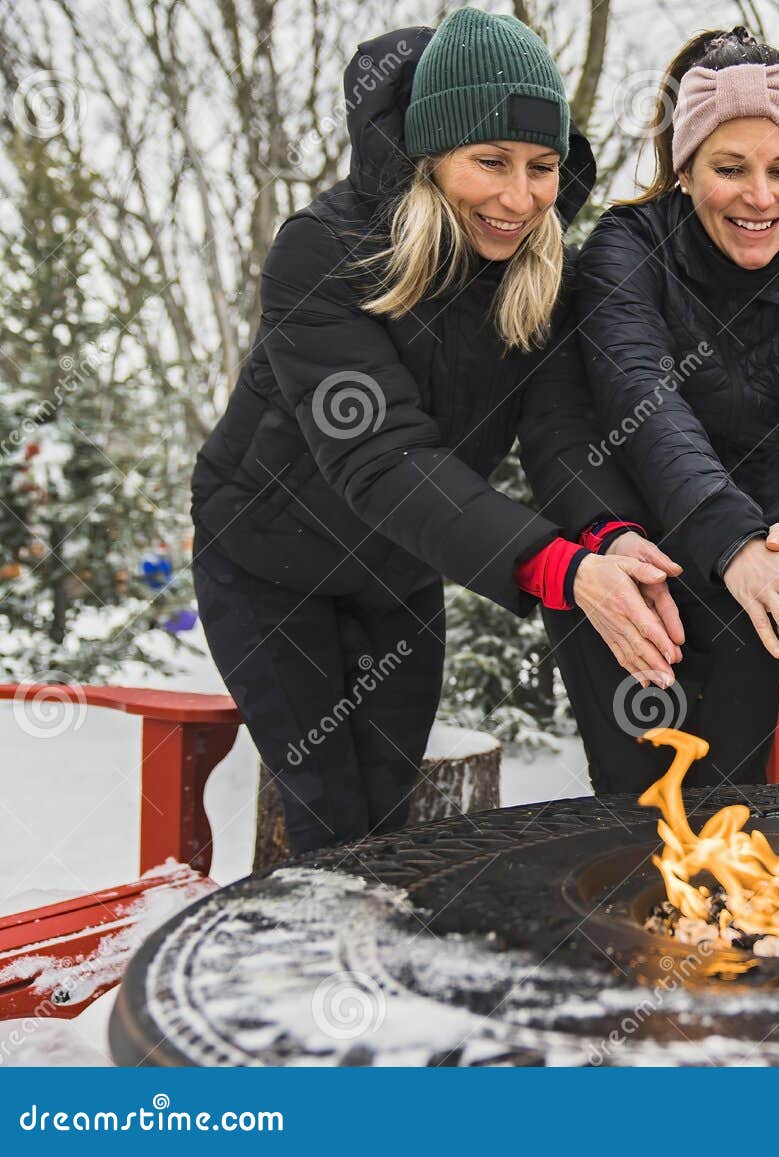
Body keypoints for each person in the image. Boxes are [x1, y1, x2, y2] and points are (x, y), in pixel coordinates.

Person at [190, 9, 680, 854]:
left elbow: (561, 433)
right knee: (327, 816)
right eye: (489, 162)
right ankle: (304, 977)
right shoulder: (321, 254)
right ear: (432, 156)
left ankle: (378, 976)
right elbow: (383, 456)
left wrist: (607, 533)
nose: (520, 198)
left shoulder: (538, 271)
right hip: (267, 567)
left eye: (541, 167)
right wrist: (560, 569)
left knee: (390, 817)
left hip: (401, 579)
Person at [566, 27, 779, 793]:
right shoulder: (625, 249)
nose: (760, 197)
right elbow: (643, 394)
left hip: (755, 571)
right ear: (685, 166)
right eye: (730, 168)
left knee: (730, 803)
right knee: (636, 805)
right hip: (631, 558)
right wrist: (730, 533)